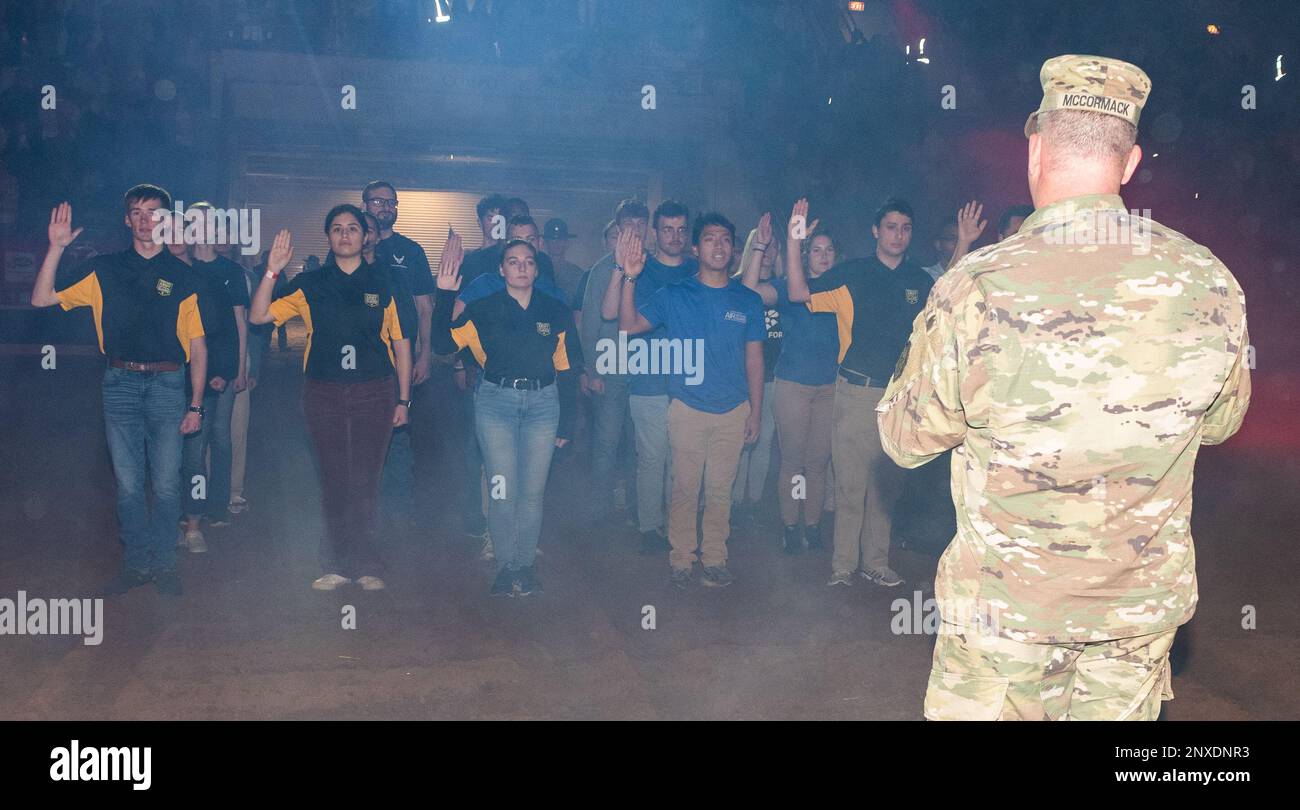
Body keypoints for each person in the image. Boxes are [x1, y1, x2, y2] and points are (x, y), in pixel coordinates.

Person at [877, 55, 1250, 721]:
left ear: (1036, 150)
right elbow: (1221, 423)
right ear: (1130, 163)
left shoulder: (976, 285)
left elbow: (904, 439)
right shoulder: (1208, 281)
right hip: (1134, 615)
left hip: (1009, 614)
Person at [30, 188, 206, 596]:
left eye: (154, 213)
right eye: (137, 213)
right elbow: (41, 299)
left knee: (166, 484)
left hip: (167, 385)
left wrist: (196, 404)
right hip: (119, 384)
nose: (145, 220)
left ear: (167, 221)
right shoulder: (103, 269)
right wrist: (56, 248)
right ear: (127, 220)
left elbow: (197, 346)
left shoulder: (183, 276)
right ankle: (137, 563)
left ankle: (164, 563)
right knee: (128, 486)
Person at [249, 206, 413, 591]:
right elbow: (258, 317)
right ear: (328, 237)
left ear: (366, 236)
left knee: (367, 479)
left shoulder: (386, 281)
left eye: (353, 228)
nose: (345, 235)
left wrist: (403, 400)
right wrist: (272, 271)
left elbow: (402, 343)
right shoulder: (310, 283)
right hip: (323, 392)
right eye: (337, 229)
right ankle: (337, 563)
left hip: (375, 391)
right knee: (335, 478)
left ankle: (367, 563)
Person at [783, 197, 933, 588]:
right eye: (890, 227)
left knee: (886, 487)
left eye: (905, 228)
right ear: (875, 231)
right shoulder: (852, 273)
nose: (898, 235)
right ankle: (843, 566)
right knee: (850, 485)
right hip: (857, 391)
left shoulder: (920, 280)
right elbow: (798, 293)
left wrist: (964, 242)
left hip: (899, 396)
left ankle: (876, 562)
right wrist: (794, 241)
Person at [618, 213, 764, 589]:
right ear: (696, 249)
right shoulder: (675, 294)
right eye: (710, 239)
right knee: (685, 488)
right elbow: (628, 326)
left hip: (733, 410)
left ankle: (714, 557)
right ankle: (681, 558)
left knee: (720, 490)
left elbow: (754, 358)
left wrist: (756, 411)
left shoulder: (748, 300)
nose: (719, 246)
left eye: (726, 239)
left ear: (734, 250)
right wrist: (629, 277)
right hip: (686, 408)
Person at [433, 233, 582, 597]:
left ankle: (525, 566)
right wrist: (445, 294)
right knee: (501, 491)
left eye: (528, 262)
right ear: (501, 270)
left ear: (537, 270)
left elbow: (568, 368)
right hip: (495, 405)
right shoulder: (483, 309)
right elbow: (442, 344)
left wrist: (567, 422)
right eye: (513, 262)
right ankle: (505, 566)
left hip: (543, 407)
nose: (522, 268)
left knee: (532, 494)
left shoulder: (554, 310)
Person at [598, 200, 696, 554]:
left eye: (681, 229)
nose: (675, 236)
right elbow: (609, 312)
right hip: (649, 378)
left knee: (683, 461)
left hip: (692, 381)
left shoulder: (699, 270)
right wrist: (621, 268)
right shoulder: (640, 266)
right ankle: (650, 527)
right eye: (667, 229)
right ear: (655, 233)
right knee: (652, 459)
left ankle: (679, 526)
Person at [742, 214, 840, 554]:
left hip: (830, 387)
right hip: (793, 385)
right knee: (793, 461)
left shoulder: (843, 288)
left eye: (829, 250)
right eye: (817, 250)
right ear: (805, 255)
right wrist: (759, 246)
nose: (824, 256)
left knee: (818, 462)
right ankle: (790, 525)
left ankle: (812, 525)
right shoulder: (787, 287)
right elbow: (748, 292)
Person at [178, 202, 249, 552]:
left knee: (220, 438)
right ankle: (194, 508)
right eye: (195, 222)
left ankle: (217, 507)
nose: (202, 228)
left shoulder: (231, 271)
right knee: (194, 445)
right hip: (189, 369)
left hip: (224, 366)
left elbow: (239, 322)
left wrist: (238, 367)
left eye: (208, 222)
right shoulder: (179, 267)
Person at [363, 180, 434, 526]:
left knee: (399, 432)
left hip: (400, 359)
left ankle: (399, 514)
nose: (385, 207)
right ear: (364, 205)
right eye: (378, 201)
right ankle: (363, 508)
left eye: (391, 202)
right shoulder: (347, 248)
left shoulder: (411, 251)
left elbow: (424, 306)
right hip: (361, 360)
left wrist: (425, 354)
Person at [580, 199, 647, 522]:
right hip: (611, 370)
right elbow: (590, 324)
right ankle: (599, 509)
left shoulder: (655, 266)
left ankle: (639, 508)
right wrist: (591, 370)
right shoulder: (602, 269)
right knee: (607, 443)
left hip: (649, 372)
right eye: (628, 225)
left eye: (641, 224)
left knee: (641, 446)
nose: (635, 231)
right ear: (618, 229)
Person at [730, 217, 782, 528]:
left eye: (775, 246)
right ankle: (734, 502)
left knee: (764, 440)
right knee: (740, 440)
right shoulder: (736, 285)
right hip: (742, 377)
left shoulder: (783, 286)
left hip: (775, 376)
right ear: (753, 247)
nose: (770, 251)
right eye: (765, 245)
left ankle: (754, 503)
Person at [922, 201, 987, 282]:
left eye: (960, 239)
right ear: (938, 244)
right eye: (952, 238)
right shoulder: (925, 275)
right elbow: (947, 285)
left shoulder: (975, 276)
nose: (958, 243)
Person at [544, 217, 585, 300]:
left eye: (561, 239)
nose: (557, 242)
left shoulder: (577, 273)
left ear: (567, 242)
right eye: (553, 239)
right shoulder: (537, 271)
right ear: (545, 242)